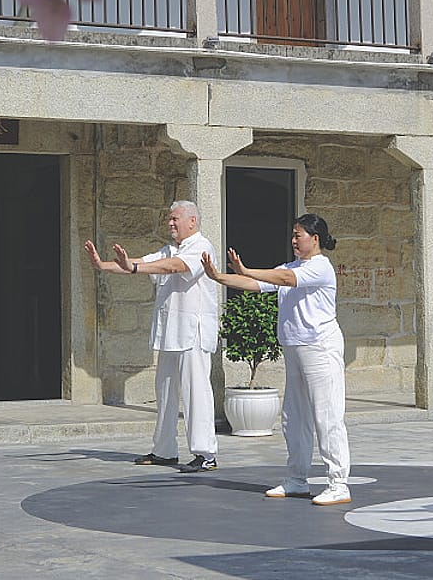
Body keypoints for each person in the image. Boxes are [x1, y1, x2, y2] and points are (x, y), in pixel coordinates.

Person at [201, 213, 352, 506]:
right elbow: (258, 284)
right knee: (294, 418)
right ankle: (297, 479)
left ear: (315, 239)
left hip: (320, 347)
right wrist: (218, 277)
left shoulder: (320, 267)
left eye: (299, 235)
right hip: (295, 348)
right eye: (293, 235)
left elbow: (283, 279)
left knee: (327, 415)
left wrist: (246, 268)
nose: (294, 240)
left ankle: (339, 483)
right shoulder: (291, 267)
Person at [84, 201, 220, 473]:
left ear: (192, 221)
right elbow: (137, 263)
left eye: (175, 219)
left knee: (196, 394)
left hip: (193, 333)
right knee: (165, 392)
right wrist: (104, 265)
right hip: (171, 333)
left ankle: (206, 454)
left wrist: (133, 267)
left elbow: (172, 267)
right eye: (169, 219)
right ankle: (165, 451)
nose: (170, 223)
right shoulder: (169, 249)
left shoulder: (201, 247)